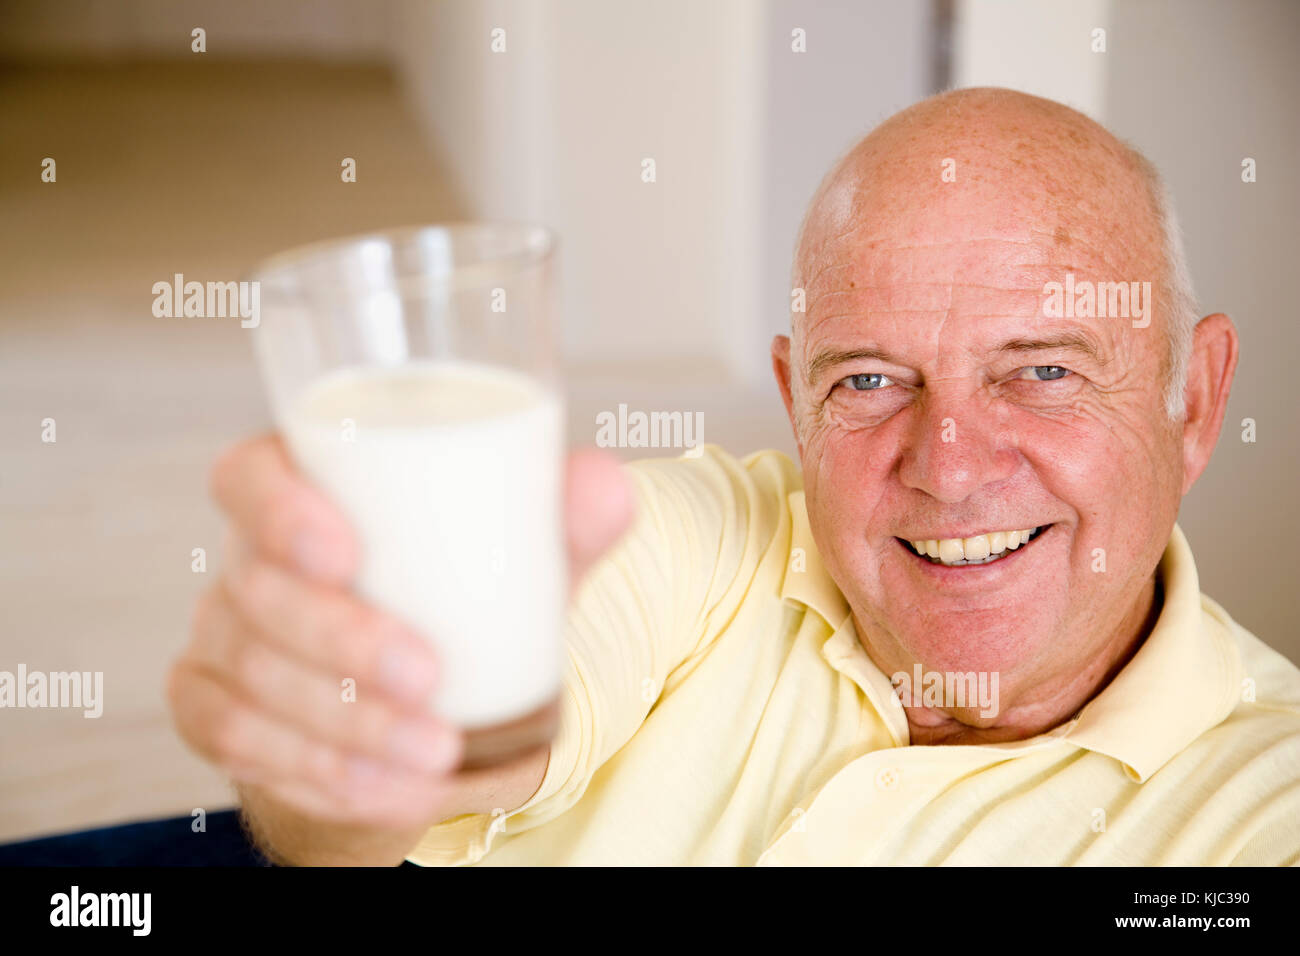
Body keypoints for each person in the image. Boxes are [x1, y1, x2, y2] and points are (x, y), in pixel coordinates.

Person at [168, 87, 1300, 865]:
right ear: (792, 399)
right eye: (866, 380)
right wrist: (353, 735)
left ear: (1192, 400)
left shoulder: (1264, 797)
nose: (949, 465)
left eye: (1043, 369)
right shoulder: (710, 536)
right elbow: (434, 753)